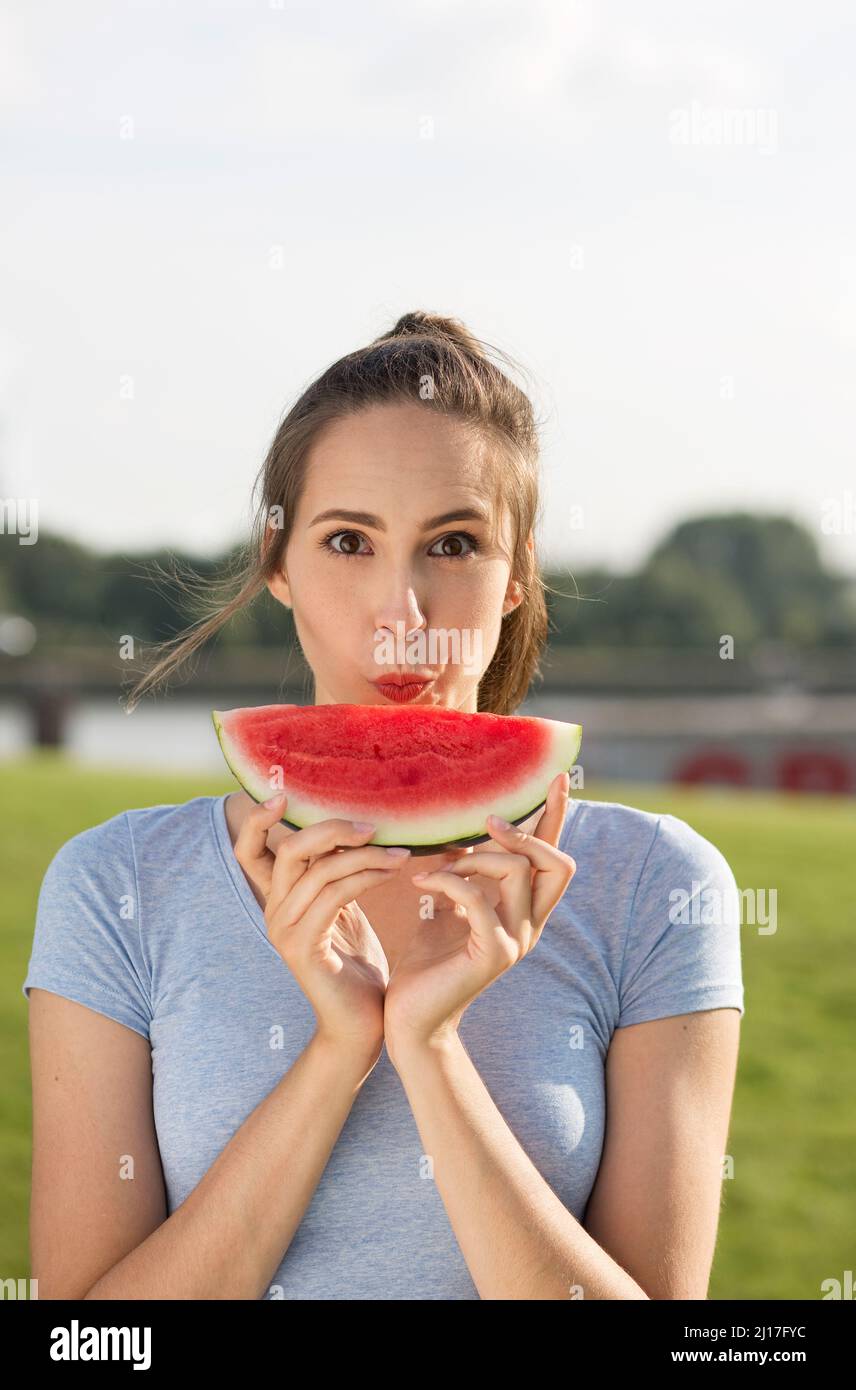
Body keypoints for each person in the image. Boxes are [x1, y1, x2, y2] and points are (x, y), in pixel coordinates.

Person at [22, 311, 744, 1300]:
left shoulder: (655, 885)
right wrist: (336, 1053)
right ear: (278, 564)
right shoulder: (118, 886)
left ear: (515, 576)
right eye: (348, 540)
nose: (402, 616)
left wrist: (430, 1045)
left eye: (452, 543)